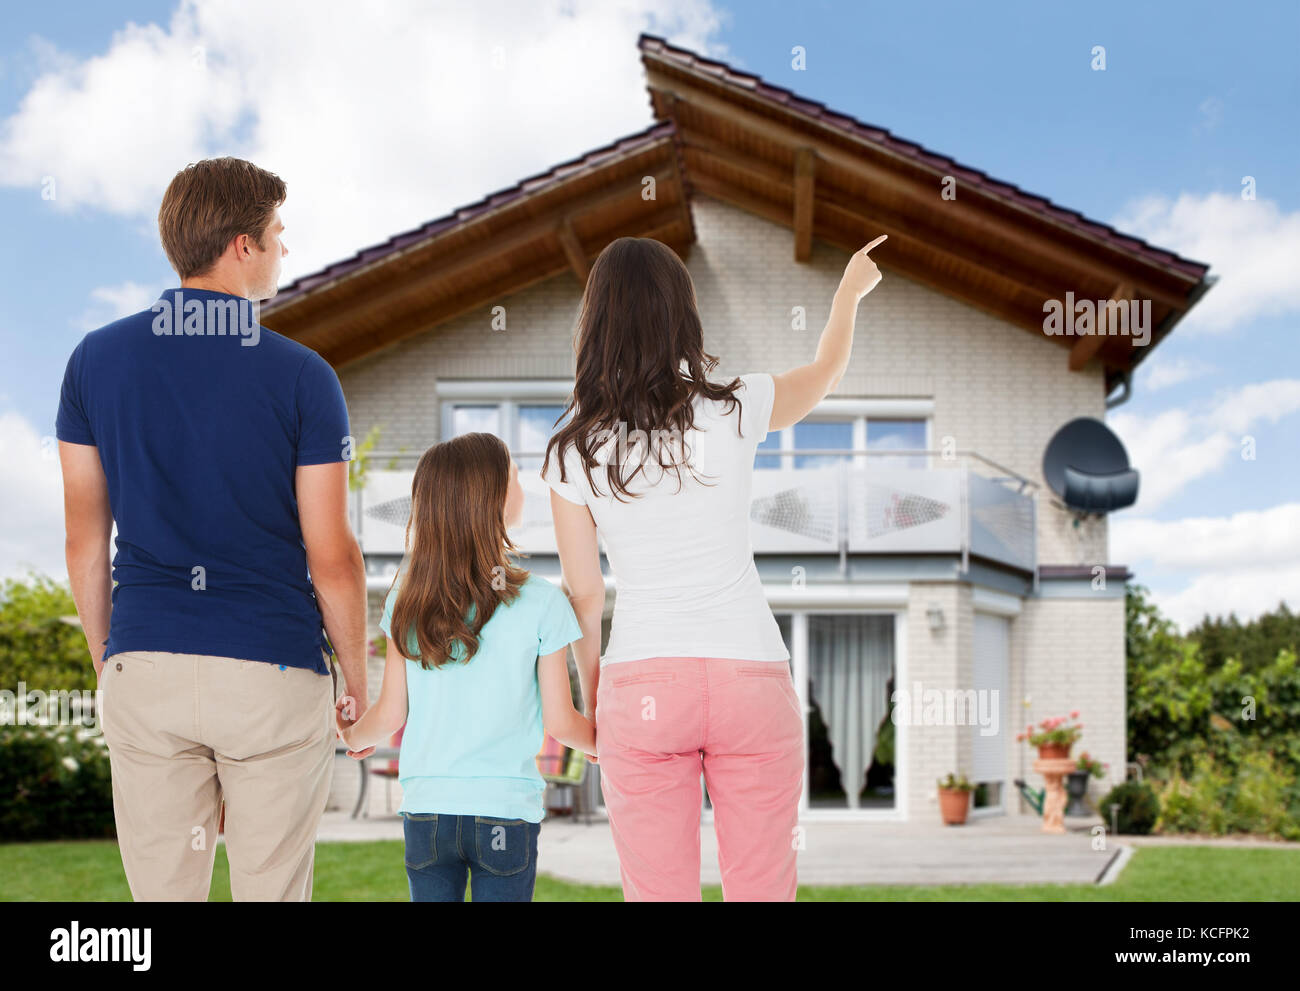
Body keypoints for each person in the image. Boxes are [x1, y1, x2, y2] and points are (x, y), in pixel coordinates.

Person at [56, 157, 371, 901]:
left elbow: (82, 541)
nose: (285, 252)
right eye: (277, 236)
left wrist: (111, 661)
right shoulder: (303, 377)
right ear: (242, 245)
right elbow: (333, 557)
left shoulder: (93, 361)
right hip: (273, 673)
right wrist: (356, 677)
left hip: (147, 666)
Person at [540, 233, 887, 901]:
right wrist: (847, 292)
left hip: (643, 684)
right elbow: (825, 373)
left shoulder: (572, 449)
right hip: (749, 677)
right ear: (681, 314)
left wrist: (594, 704)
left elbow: (584, 591)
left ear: (596, 324)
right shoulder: (735, 406)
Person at [336, 432, 595, 902]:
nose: (521, 484)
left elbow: (390, 714)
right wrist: (609, 744)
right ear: (494, 499)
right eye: (514, 476)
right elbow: (562, 722)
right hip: (505, 812)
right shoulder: (541, 600)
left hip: (428, 812)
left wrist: (352, 736)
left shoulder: (406, 599)